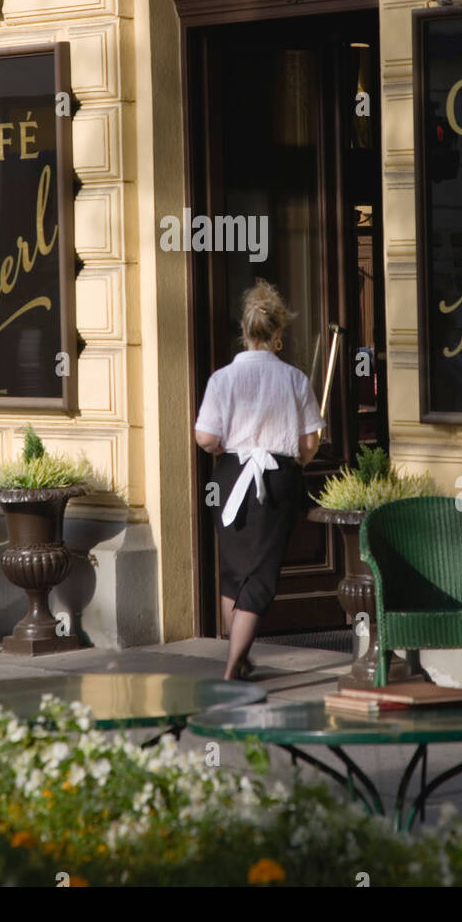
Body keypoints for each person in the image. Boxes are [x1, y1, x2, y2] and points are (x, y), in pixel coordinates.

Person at [195, 279, 322, 680]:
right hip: (275, 479)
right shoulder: (296, 380)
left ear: (245, 331)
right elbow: (308, 444)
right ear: (278, 334)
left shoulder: (221, 379)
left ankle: (239, 655)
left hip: (229, 478)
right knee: (261, 575)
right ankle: (234, 666)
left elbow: (206, 438)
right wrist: (303, 455)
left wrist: (221, 448)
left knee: (234, 571)